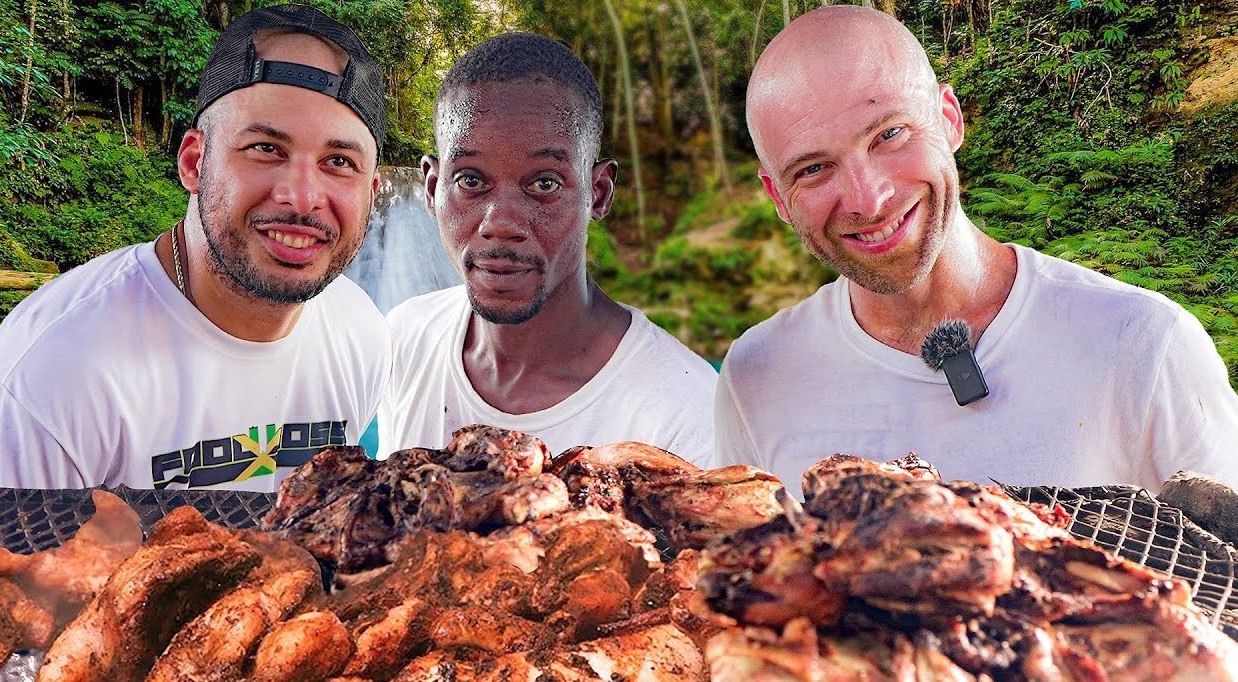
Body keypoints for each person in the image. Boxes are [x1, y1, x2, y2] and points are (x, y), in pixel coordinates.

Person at [717, 5, 1238, 495]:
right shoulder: (758, 377)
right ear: (777, 198)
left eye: (890, 134)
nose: (868, 200)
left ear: (950, 119)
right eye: (813, 169)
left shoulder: (1144, 345)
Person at [0, 4, 392, 490]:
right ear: (194, 162)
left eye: (338, 161)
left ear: (371, 194)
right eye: (266, 149)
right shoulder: (56, 369)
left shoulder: (362, 334)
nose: (303, 195)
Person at [378, 33, 717, 467]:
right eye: (470, 180)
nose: (499, 222)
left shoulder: (680, 410)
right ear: (432, 188)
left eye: (544, 184)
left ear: (598, 194)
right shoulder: (406, 342)